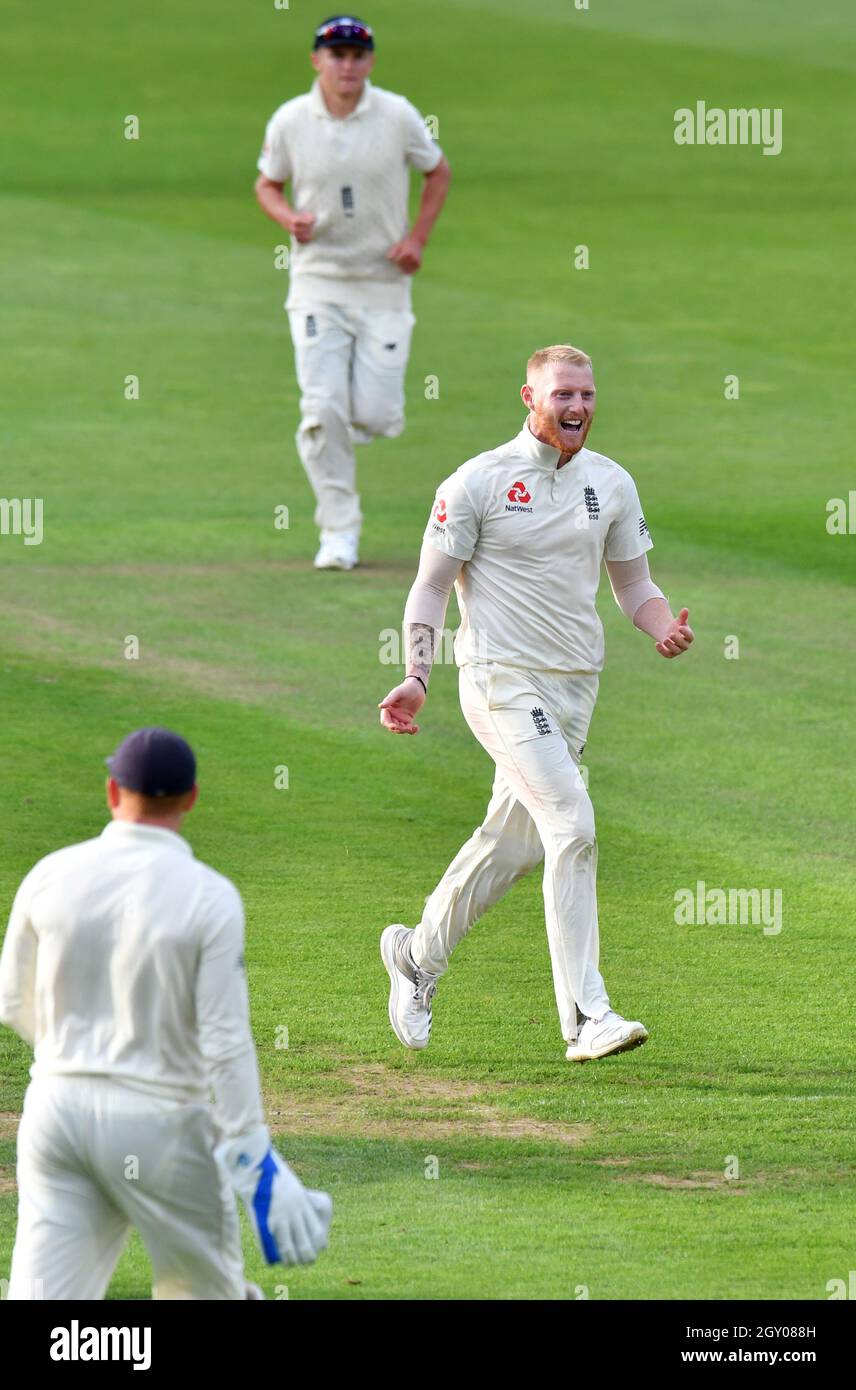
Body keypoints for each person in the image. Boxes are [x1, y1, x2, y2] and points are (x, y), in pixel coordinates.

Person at [378, 345, 695, 1062]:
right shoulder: (478, 482)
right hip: (498, 679)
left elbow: (633, 586)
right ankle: (587, 1016)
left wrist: (662, 627)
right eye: (562, 396)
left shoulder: (610, 484)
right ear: (529, 398)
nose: (577, 407)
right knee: (572, 823)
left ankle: (416, 957)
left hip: (575, 686)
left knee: (513, 843)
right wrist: (417, 675)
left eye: (586, 394)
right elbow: (430, 586)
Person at [0, 727, 331, 1300]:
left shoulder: (50, 875)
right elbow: (225, 1042)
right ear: (191, 799)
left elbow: (11, 1003)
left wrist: (75, 1058)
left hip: (56, 1116)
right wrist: (252, 1150)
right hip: (162, 1127)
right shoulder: (210, 897)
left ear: (112, 791)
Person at [255, 14, 451, 571]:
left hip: (384, 283)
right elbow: (266, 183)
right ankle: (339, 530)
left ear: (369, 62)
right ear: (316, 59)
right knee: (320, 410)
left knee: (373, 414)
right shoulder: (292, 119)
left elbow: (437, 171)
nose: (346, 65)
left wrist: (417, 238)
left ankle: (354, 422)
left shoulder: (396, 114)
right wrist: (288, 217)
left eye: (356, 55)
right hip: (318, 281)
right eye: (335, 54)